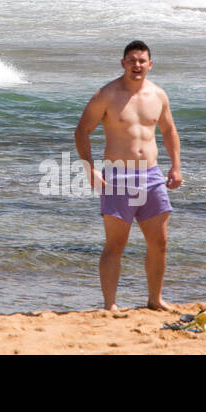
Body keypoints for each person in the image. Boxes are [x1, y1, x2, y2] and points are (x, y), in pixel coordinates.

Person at [75, 40, 183, 311]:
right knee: (115, 244)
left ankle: (155, 300)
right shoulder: (107, 95)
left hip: (152, 175)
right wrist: (89, 169)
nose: (137, 65)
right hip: (118, 177)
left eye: (142, 60)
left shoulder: (158, 95)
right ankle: (110, 304)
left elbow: (169, 132)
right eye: (132, 60)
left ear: (150, 64)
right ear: (122, 63)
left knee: (160, 242)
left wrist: (176, 166)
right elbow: (82, 130)